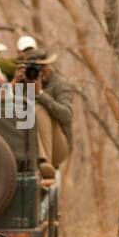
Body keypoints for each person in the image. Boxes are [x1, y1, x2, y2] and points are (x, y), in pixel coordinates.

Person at [19, 51, 72, 179]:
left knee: (38, 110)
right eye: (35, 69)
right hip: (27, 144)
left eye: (42, 67)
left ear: (48, 66)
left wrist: (41, 94)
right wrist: (16, 83)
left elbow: (66, 115)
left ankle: (45, 162)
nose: (40, 72)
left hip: (57, 146)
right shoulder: (24, 82)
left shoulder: (60, 84)